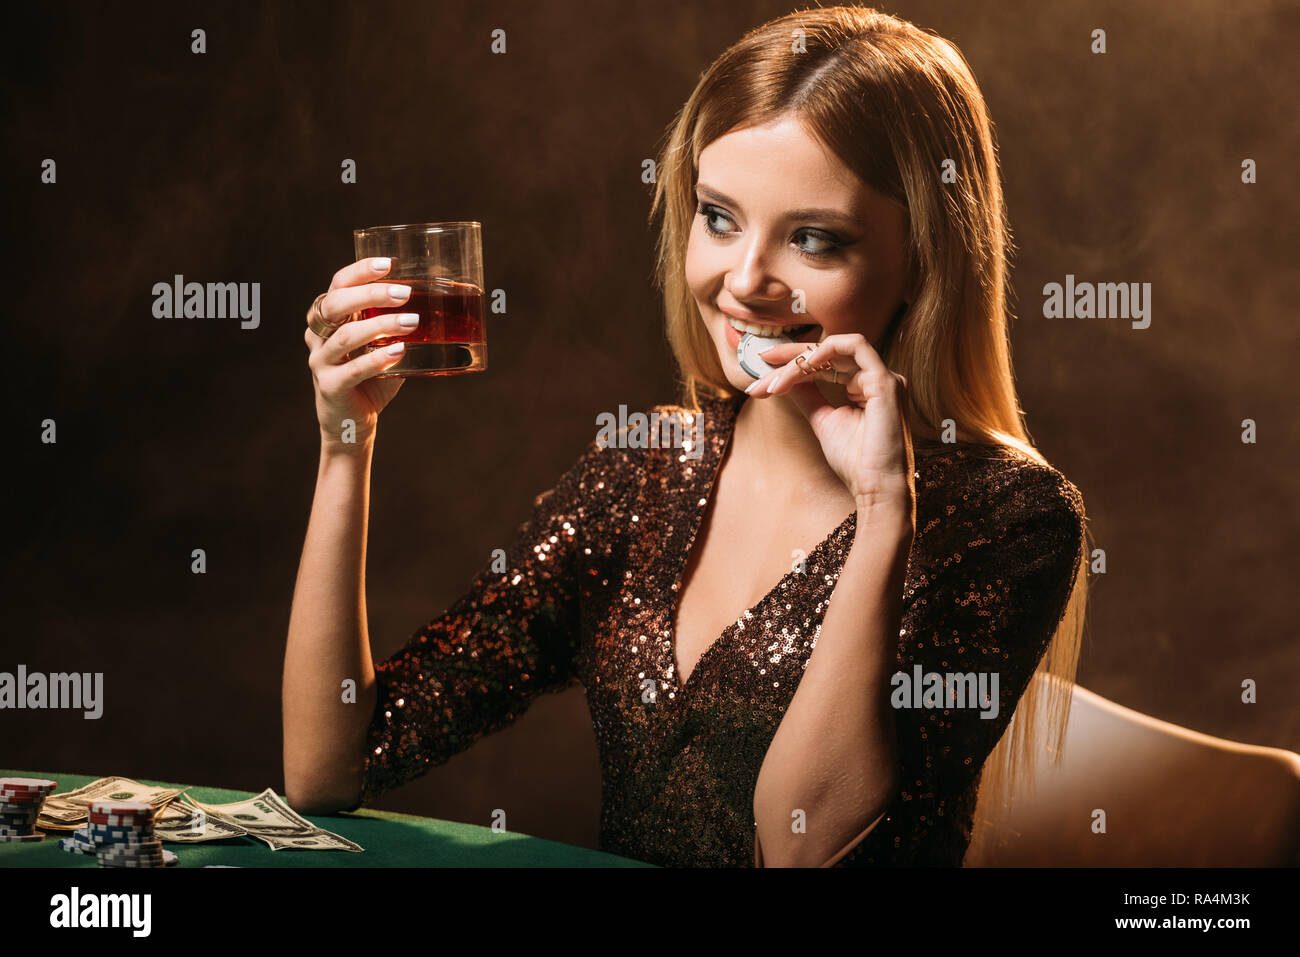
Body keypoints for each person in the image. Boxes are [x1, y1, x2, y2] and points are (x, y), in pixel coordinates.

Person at [283, 5, 1091, 867]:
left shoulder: (1011, 517)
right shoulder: (642, 468)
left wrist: (884, 510)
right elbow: (330, 767)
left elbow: (803, 848)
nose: (743, 282)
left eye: (813, 239)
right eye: (718, 217)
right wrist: (346, 442)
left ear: (923, 261)